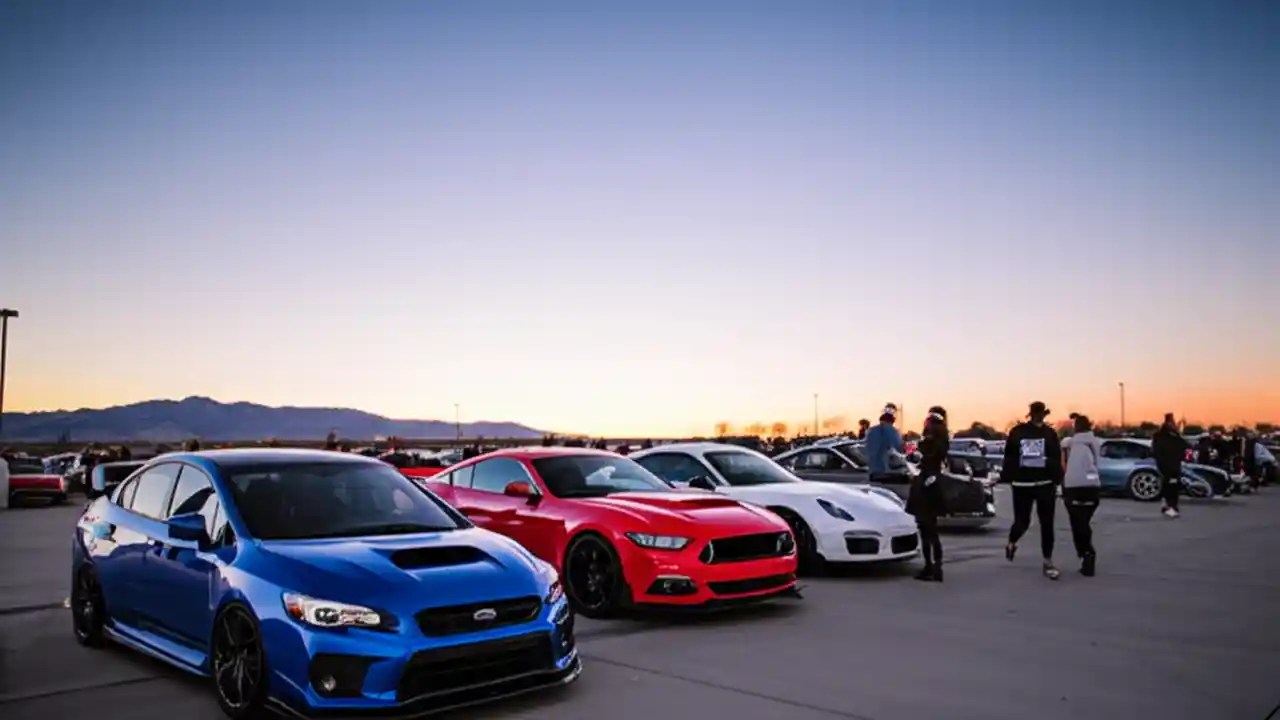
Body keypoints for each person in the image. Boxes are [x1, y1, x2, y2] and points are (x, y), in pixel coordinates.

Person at [1003, 401, 1064, 580]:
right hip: (1023, 484)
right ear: (1032, 414)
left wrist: (1056, 478)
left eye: (1041, 413)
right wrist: (1011, 475)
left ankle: (1048, 561)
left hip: (1045, 484)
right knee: (1022, 522)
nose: (1039, 416)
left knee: (1047, 524)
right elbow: (1009, 456)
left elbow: (1056, 457)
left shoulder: (1050, 433)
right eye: (1036, 413)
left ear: (1044, 414)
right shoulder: (1018, 432)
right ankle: (1012, 542)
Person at [909, 406, 949, 582]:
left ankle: (928, 567)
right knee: (933, 529)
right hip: (935, 482)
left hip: (924, 483)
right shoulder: (944, 437)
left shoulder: (929, 437)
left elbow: (917, 456)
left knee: (925, 528)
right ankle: (937, 567)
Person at [1062, 413, 1102, 576]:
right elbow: (1097, 463)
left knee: (1076, 522)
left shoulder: (1069, 443)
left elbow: (1063, 462)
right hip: (1092, 486)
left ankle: (1085, 552)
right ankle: (1087, 552)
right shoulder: (1095, 442)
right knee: (1084, 521)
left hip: (1073, 485)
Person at [1152, 414, 1188, 518]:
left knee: (1170, 485)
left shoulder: (1165, 436)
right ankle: (1170, 506)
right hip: (1169, 465)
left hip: (1170, 464)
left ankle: (1168, 504)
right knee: (1171, 485)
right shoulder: (1168, 436)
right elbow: (1182, 446)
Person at [864, 405, 905, 483]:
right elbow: (898, 448)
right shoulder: (893, 431)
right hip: (887, 472)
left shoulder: (871, 431)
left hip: (872, 470)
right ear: (893, 420)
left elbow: (866, 449)